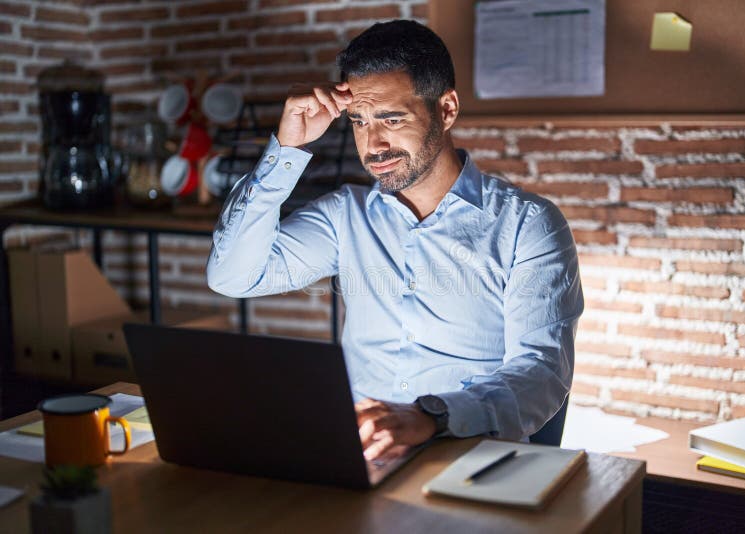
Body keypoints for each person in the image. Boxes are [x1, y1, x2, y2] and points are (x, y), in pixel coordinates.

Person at [207, 20, 583, 461]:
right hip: (360, 450)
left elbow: (540, 372)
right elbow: (232, 277)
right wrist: (287, 150)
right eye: (359, 121)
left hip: (466, 453)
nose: (373, 145)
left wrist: (432, 417)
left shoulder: (529, 225)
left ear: (446, 109)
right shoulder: (344, 214)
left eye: (391, 118)